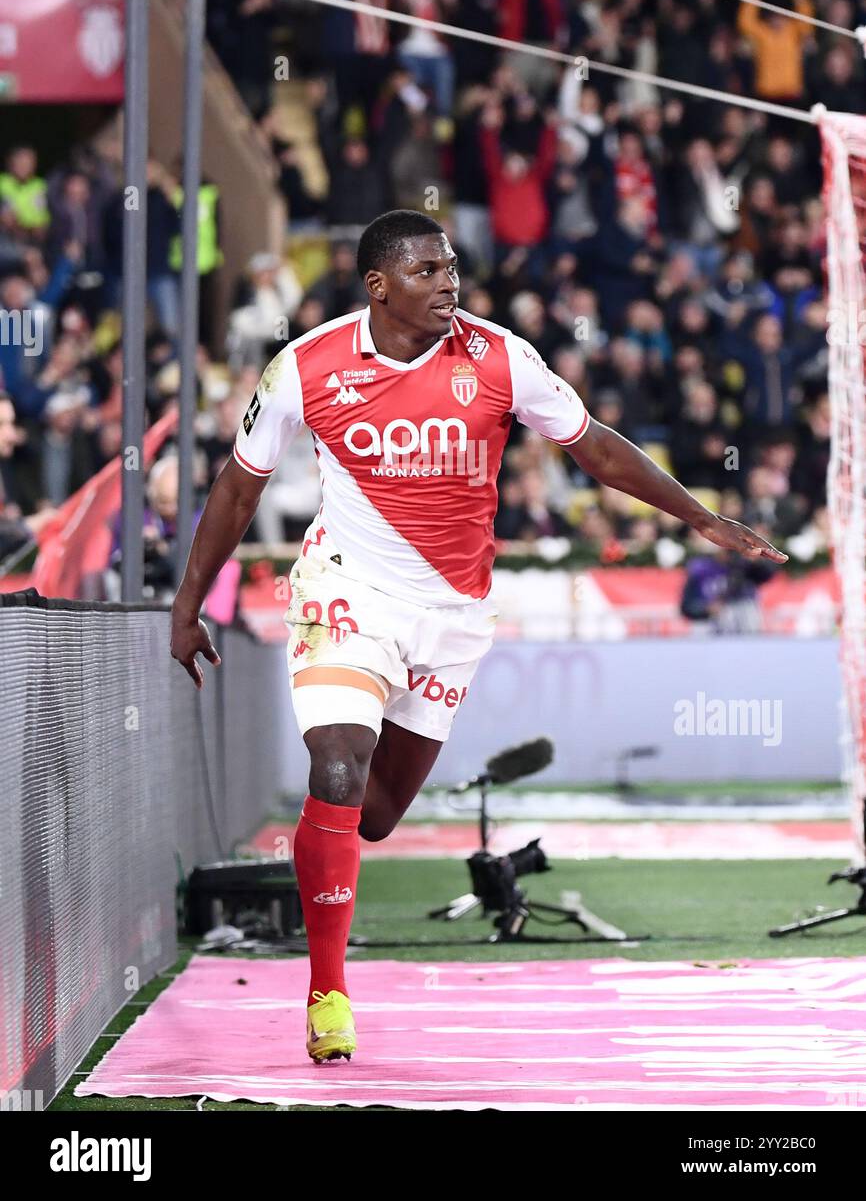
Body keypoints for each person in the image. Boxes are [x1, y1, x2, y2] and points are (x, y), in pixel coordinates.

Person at [169, 210, 786, 1064]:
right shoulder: (305, 367)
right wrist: (186, 601)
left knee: (376, 815)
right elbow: (237, 490)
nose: (448, 283)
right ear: (378, 285)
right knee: (338, 764)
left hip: (453, 614)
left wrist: (700, 515)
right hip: (347, 588)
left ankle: (336, 890)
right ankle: (327, 991)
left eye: (452, 268)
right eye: (426, 271)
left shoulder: (500, 356)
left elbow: (596, 449)